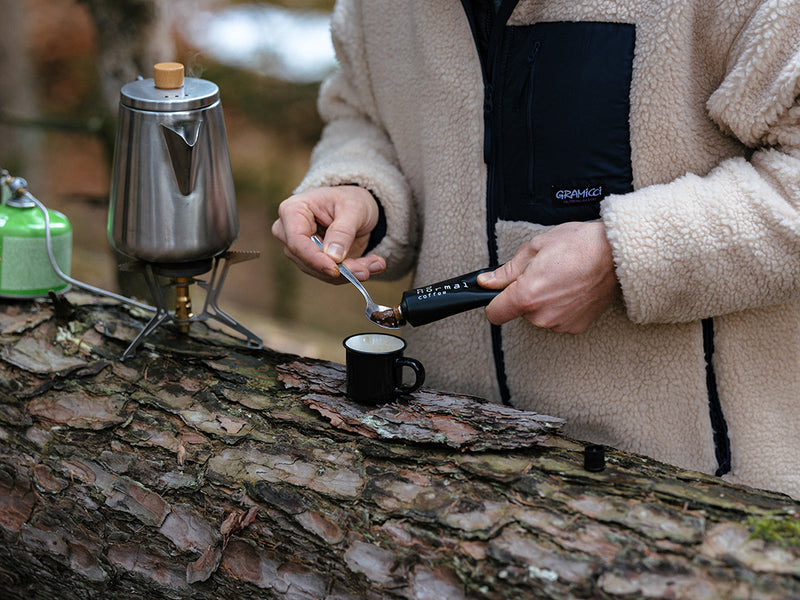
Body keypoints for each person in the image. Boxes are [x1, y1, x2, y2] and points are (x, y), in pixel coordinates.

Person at [272, 0, 800, 499]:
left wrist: (626, 256)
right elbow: (361, 113)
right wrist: (360, 189)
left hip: (694, 492)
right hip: (450, 472)